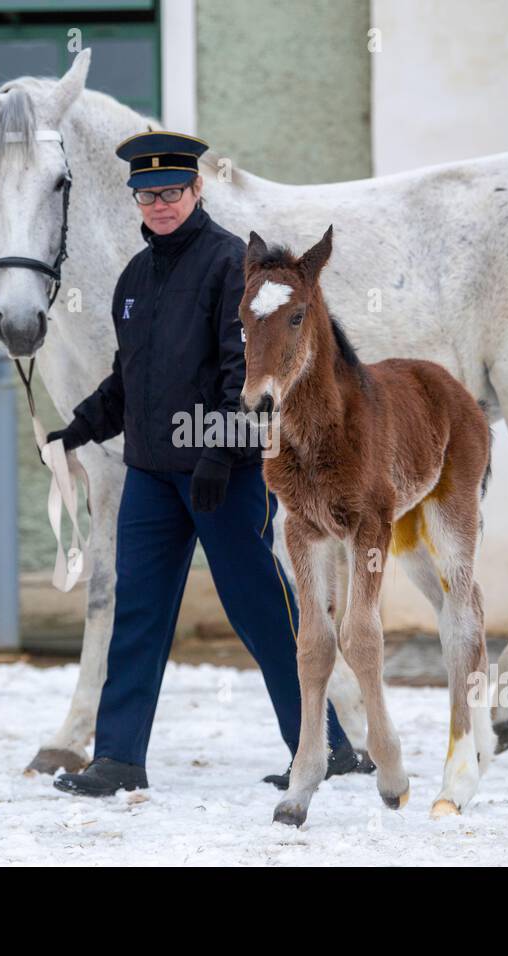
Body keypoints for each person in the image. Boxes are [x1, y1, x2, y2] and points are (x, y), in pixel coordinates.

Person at [50, 130, 363, 797]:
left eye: (171, 191)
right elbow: (128, 379)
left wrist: (223, 453)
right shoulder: (134, 278)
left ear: (196, 190)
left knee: (263, 613)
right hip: (152, 477)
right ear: (136, 200)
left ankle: (328, 746)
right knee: (137, 610)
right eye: (147, 194)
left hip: (225, 476)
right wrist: (80, 426)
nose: (159, 204)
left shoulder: (233, 268)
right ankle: (118, 759)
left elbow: (243, 371)